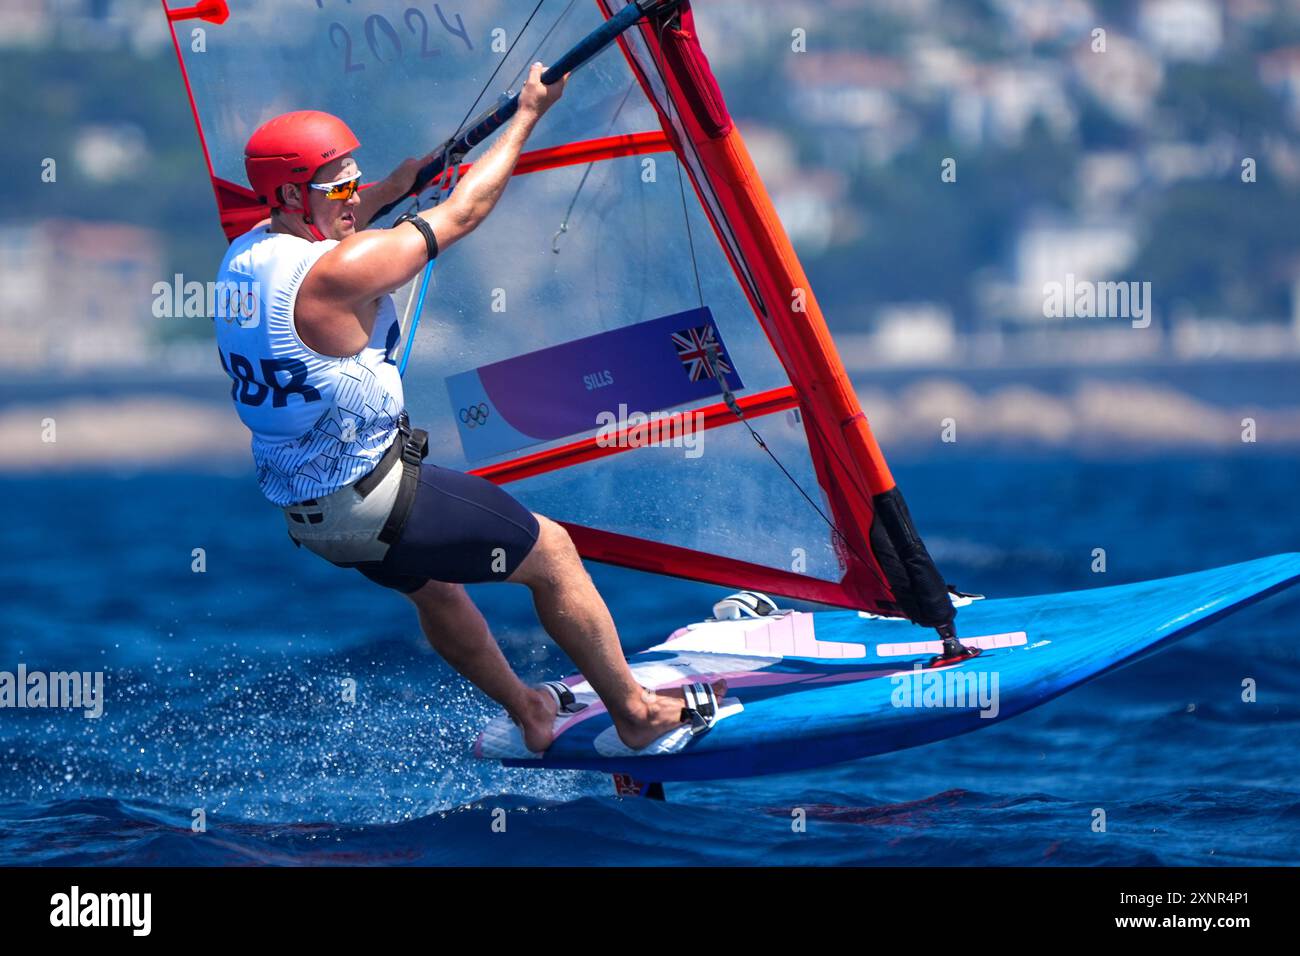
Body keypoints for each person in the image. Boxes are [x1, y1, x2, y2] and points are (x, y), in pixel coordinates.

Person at [214, 64, 722, 753]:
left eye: (354, 181)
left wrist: (399, 184)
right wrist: (529, 116)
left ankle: (531, 711)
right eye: (337, 187)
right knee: (555, 555)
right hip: (377, 498)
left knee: (437, 591)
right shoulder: (335, 276)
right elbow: (464, 213)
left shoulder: (245, 257)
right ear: (293, 197)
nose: (352, 195)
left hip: (315, 517)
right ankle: (636, 712)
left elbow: (344, 224)